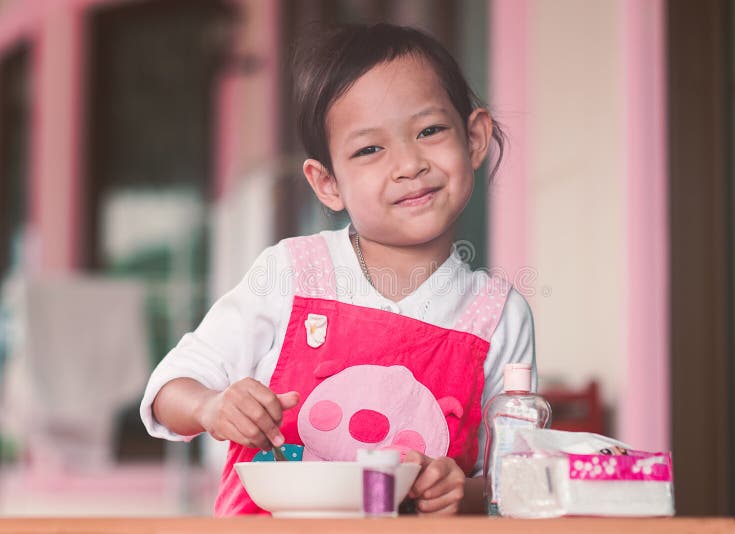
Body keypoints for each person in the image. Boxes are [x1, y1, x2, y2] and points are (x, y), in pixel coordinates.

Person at [140, 22, 536, 516]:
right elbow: (167, 391)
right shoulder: (291, 273)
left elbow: (511, 484)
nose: (409, 163)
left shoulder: (499, 315)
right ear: (327, 183)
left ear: (474, 138)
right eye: (370, 149)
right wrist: (211, 408)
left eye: (429, 130)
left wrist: (462, 492)